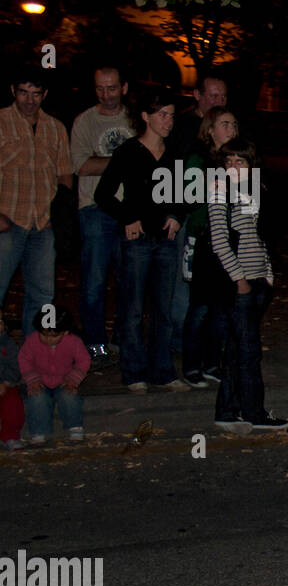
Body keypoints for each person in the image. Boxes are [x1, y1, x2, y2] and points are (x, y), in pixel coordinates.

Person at [94, 87, 187, 392]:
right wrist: (127, 218)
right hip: (136, 240)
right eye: (162, 114)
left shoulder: (175, 152)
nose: (168, 121)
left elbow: (185, 193)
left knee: (163, 307)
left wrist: (176, 214)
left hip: (165, 240)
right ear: (146, 117)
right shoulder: (128, 151)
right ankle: (134, 371)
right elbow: (103, 194)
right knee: (132, 308)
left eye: (172, 115)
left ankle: (163, 370)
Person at [208, 138, 288, 430]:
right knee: (249, 351)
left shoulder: (255, 191)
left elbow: (261, 236)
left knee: (237, 349)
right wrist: (239, 279)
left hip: (258, 283)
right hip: (237, 285)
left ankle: (227, 411)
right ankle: (254, 412)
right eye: (228, 161)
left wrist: (267, 273)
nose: (232, 167)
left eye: (239, 161)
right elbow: (219, 240)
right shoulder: (219, 191)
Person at [0, 66, 73, 335]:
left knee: (42, 298)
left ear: (44, 95)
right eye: (23, 93)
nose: (29, 100)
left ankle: (32, 364)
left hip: (43, 226)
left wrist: (60, 214)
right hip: (8, 222)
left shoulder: (56, 128)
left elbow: (65, 173)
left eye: (36, 94)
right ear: (13, 91)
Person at [71, 66, 135, 366]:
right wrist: (124, 162)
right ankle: (95, 342)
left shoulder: (136, 119)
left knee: (129, 279)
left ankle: (124, 337)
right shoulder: (85, 121)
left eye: (111, 88)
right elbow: (82, 166)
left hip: (131, 208)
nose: (106, 94)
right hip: (95, 208)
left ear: (124, 88)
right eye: (100, 88)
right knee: (95, 280)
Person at [179, 106, 240, 388]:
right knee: (200, 305)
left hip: (230, 239)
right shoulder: (198, 158)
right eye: (225, 123)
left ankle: (213, 363)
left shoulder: (238, 158)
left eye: (234, 124)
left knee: (221, 305)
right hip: (203, 237)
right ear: (210, 129)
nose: (231, 129)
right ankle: (191, 364)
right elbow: (189, 197)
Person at [18, 306, 90, 445]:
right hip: (39, 380)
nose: (48, 340)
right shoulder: (32, 340)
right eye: (44, 335)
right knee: (37, 398)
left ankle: (75, 426)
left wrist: (72, 379)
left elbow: (84, 360)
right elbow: (24, 359)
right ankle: (38, 431)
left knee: (69, 396)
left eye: (54, 336)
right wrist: (32, 380)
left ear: (65, 332)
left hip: (64, 380)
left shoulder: (73, 341)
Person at [0, 326, 25, 451]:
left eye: (0, 321)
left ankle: (10, 436)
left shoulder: (7, 343)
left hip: (6, 384)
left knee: (12, 404)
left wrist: (6, 382)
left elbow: (15, 365)